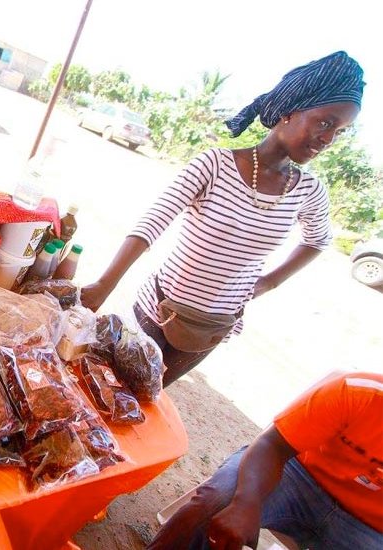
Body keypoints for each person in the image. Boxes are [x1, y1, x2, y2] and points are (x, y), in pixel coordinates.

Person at [80, 51, 365, 386]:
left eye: (340, 131)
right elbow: (154, 222)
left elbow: (318, 240)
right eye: (326, 122)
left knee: (144, 403)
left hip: (211, 330)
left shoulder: (308, 191)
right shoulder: (215, 165)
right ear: (290, 111)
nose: (329, 140)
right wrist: (104, 284)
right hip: (156, 311)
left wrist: (268, 283)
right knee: (100, 389)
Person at [148, 370, 383, 550]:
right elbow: (273, 445)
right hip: (300, 474)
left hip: (371, 527)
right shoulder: (360, 393)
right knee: (219, 501)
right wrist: (245, 503)